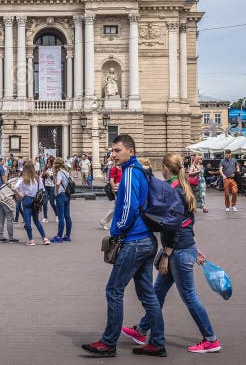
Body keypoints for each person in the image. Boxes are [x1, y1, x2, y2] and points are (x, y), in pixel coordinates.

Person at [121, 152, 221, 354]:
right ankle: (141, 330)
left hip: (178, 251)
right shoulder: (183, 188)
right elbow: (188, 223)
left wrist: (166, 255)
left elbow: (174, 227)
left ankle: (211, 339)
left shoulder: (173, 191)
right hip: (184, 247)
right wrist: (194, 247)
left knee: (189, 296)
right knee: (157, 293)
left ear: (165, 168)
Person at [82, 134, 165, 358]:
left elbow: (129, 208)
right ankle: (157, 342)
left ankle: (109, 342)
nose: (114, 154)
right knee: (147, 294)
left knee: (114, 290)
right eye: (113, 150)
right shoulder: (141, 171)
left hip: (134, 241)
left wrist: (116, 229)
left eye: (118, 150)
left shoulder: (129, 173)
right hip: (147, 240)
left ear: (131, 151)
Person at [13, 160, 50, 246]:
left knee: (27, 221)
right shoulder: (37, 178)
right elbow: (42, 190)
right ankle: (45, 238)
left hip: (26, 199)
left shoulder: (23, 178)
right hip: (36, 200)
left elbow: (14, 188)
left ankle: (31, 240)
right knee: (36, 221)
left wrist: (20, 195)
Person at [0, 170, 19, 244]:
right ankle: (11, 238)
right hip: (6, 199)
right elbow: (17, 194)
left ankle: (1, 238)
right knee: (9, 219)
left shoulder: (8, 181)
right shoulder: (18, 181)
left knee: (0, 219)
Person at [52, 159, 73, 243]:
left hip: (61, 195)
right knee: (67, 216)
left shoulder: (59, 173)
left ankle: (59, 236)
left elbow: (58, 183)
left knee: (61, 216)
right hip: (67, 195)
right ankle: (67, 235)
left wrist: (56, 191)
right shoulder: (67, 172)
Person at [100, 160, 122, 230]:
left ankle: (105, 222)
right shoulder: (114, 169)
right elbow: (111, 180)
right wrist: (114, 188)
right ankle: (105, 221)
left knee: (117, 207)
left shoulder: (123, 168)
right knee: (117, 207)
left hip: (123, 189)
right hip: (117, 190)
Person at [41, 155, 57, 224]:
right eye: (47, 162)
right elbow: (43, 176)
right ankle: (45, 217)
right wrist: (44, 174)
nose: (48, 163)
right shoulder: (46, 167)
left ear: (52, 162)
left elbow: (55, 179)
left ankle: (57, 215)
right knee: (45, 202)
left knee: (52, 202)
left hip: (52, 187)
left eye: (49, 162)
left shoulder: (55, 169)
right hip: (45, 186)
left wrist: (49, 175)